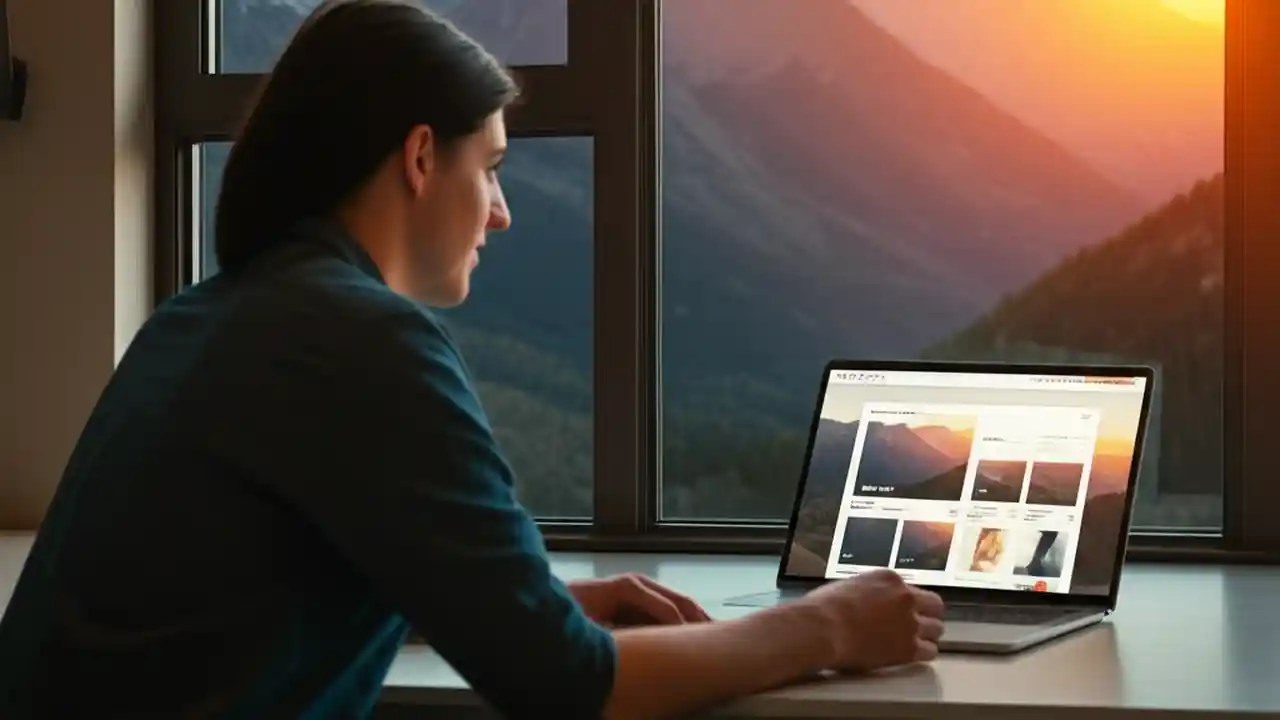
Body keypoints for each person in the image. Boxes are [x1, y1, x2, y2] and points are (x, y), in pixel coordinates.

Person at [0, 1, 944, 717]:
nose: (500, 210)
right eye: (488, 166)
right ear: (419, 158)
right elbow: (566, 686)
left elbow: (251, 589)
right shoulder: (368, 340)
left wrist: (534, 597)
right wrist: (825, 625)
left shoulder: (202, 317)